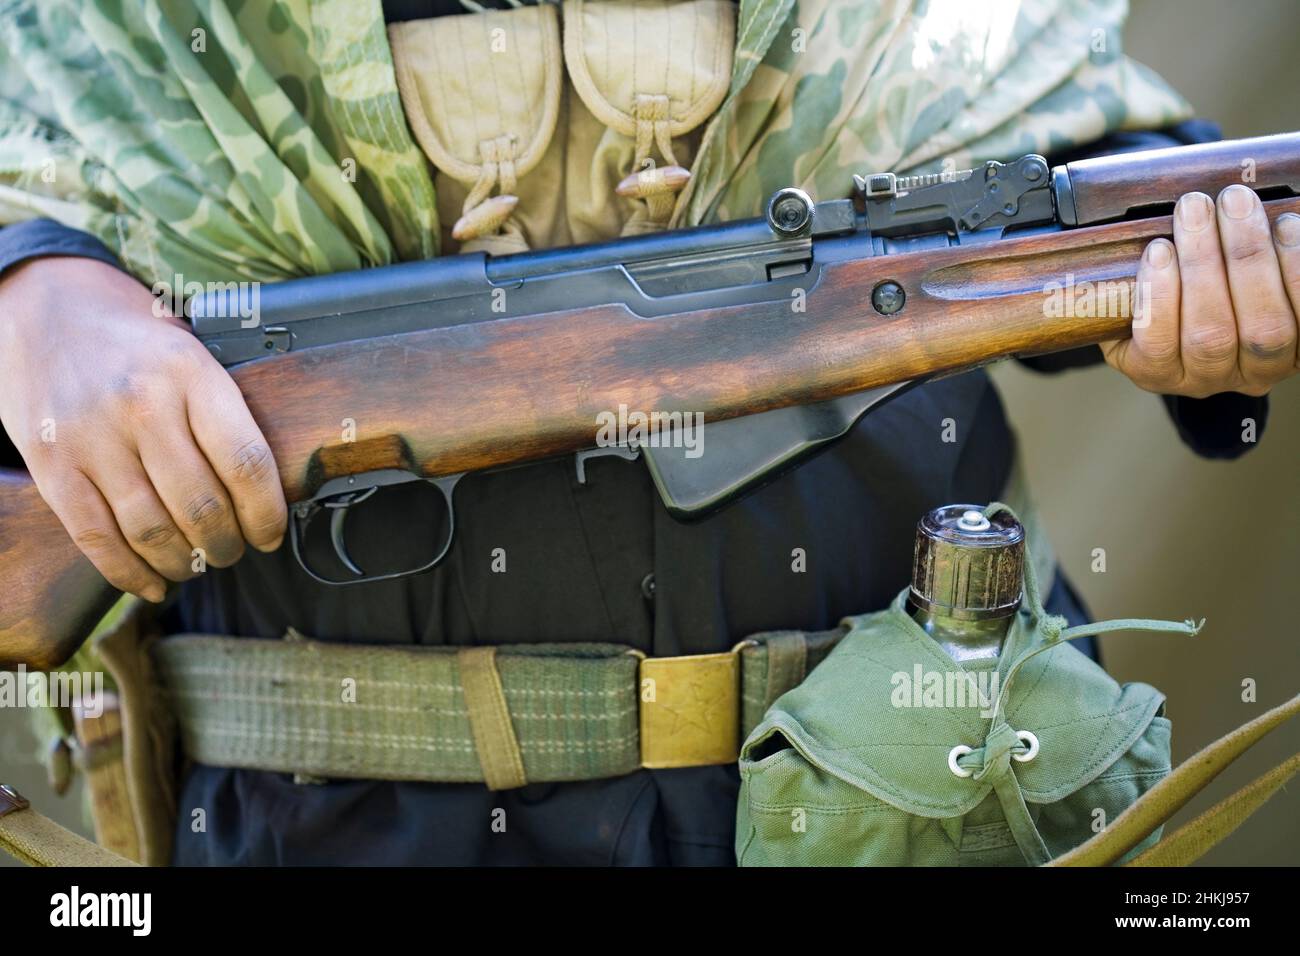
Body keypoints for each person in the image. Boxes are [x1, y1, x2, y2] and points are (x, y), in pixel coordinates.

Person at [0, 0, 1296, 865]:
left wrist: (1204, 276)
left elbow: (1058, 139)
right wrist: (30, 289)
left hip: (906, 796)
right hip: (335, 817)